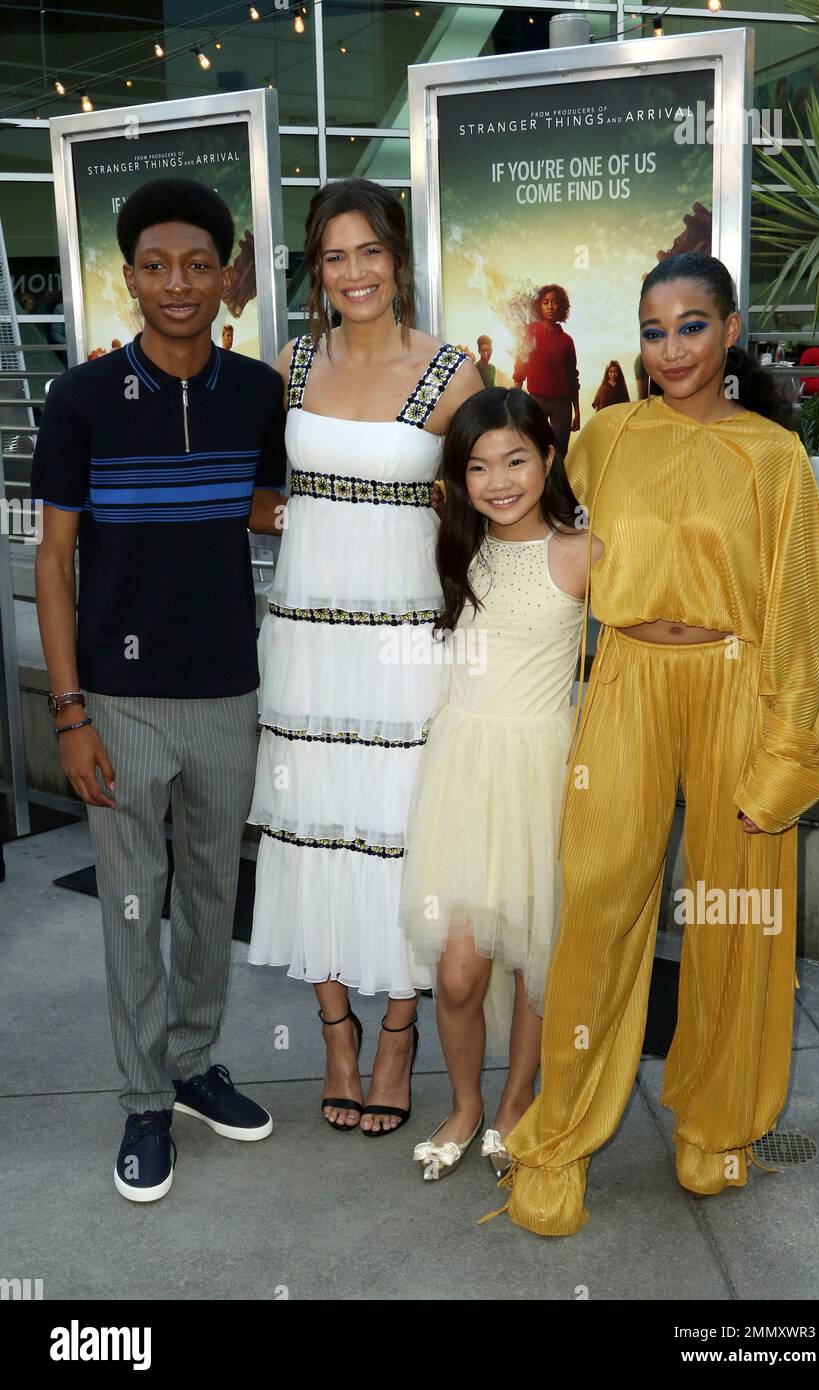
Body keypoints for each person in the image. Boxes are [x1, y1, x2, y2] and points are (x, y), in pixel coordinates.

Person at [495, 251, 819, 1236]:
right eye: (653, 328)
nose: (672, 347)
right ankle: (558, 1134)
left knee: (738, 916)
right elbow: (542, 549)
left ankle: (714, 1124)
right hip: (627, 681)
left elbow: (799, 610)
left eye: (692, 325)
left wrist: (783, 752)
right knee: (596, 902)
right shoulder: (602, 438)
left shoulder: (773, 456)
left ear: (728, 331)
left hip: (737, 684)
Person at [31, 177, 287, 1203]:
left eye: (197, 265)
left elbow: (268, 512)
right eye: (154, 265)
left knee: (213, 893)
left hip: (227, 687)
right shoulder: (81, 399)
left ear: (227, 277)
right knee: (134, 905)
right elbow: (54, 563)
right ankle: (144, 1097)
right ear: (128, 275)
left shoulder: (259, 391)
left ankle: (189, 1063)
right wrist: (69, 710)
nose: (176, 284)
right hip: (118, 698)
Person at [246, 177, 483, 1135]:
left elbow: (493, 496)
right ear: (318, 269)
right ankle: (336, 1034)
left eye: (370, 252)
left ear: (399, 258)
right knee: (313, 830)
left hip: (404, 649)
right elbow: (257, 493)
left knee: (400, 836)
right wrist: (304, 515)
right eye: (335, 256)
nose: (355, 273)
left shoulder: (451, 370)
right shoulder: (290, 365)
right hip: (305, 640)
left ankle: (397, 1036)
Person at [398, 387, 598, 1182]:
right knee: (458, 969)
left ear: (549, 459)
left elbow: (640, 646)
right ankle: (465, 1101)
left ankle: (516, 1101)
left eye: (516, 459)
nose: (499, 480)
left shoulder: (585, 551)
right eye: (478, 466)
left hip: (544, 769)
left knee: (536, 957)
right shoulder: (457, 547)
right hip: (461, 773)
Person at [513, 284, 580, 455]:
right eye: (545, 302)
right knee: (535, 450)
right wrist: (513, 402)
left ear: (561, 306)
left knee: (559, 453)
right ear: (539, 305)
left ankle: (555, 483)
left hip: (562, 405)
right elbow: (520, 367)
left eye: (555, 302)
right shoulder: (529, 333)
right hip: (537, 401)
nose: (550, 306)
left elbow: (573, 377)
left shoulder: (567, 341)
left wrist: (577, 411)